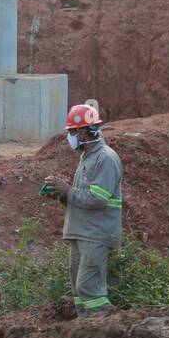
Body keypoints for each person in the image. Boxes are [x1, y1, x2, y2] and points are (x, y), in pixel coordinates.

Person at [43, 103, 122, 316]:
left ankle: (108, 328)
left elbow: (99, 198)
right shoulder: (88, 157)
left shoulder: (104, 158)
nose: (70, 137)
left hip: (95, 233)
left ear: (85, 133)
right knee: (79, 290)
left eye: (72, 132)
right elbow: (84, 196)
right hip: (82, 231)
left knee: (89, 288)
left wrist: (68, 191)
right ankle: (85, 334)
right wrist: (62, 196)